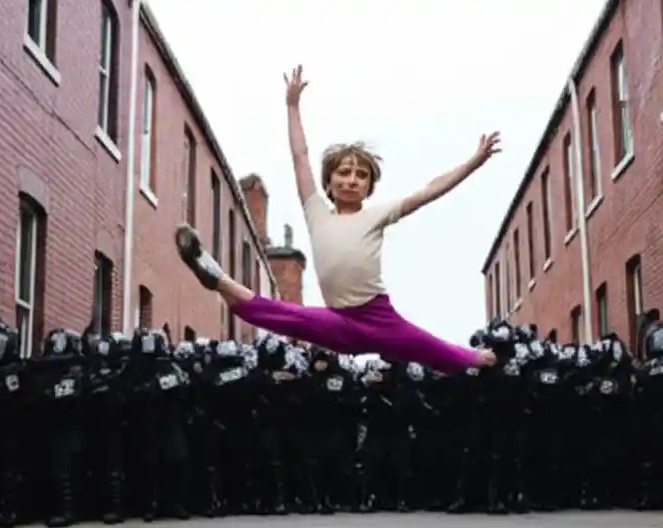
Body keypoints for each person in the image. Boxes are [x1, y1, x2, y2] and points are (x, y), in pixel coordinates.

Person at [174, 65, 499, 374]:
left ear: (369, 187)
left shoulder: (377, 214)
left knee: (436, 350)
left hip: (378, 317)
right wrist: (292, 106)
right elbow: (300, 156)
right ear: (328, 182)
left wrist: (473, 162)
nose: (352, 180)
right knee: (277, 313)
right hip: (339, 321)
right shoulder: (316, 211)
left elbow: (430, 190)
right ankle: (215, 276)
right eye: (344, 173)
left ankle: (479, 360)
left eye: (361, 176)